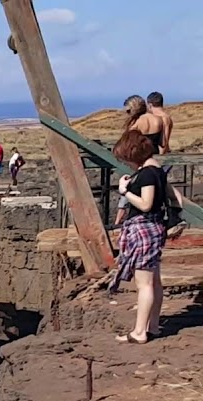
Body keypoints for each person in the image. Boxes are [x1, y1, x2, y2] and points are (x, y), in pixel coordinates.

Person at [111, 129, 167, 344]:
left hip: (144, 229)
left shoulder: (146, 174)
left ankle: (139, 332)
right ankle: (152, 327)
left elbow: (145, 203)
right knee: (155, 282)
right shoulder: (156, 168)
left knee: (144, 284)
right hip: (154, 228)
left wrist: (125, 192)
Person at [115, 95, 169, 225]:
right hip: (154, 160)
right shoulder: (158, 120)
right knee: (159, 192)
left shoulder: (136, 124)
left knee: (130, 190)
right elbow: (163, 143)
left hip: (139, 161)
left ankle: (119, 222)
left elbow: (128, 145)